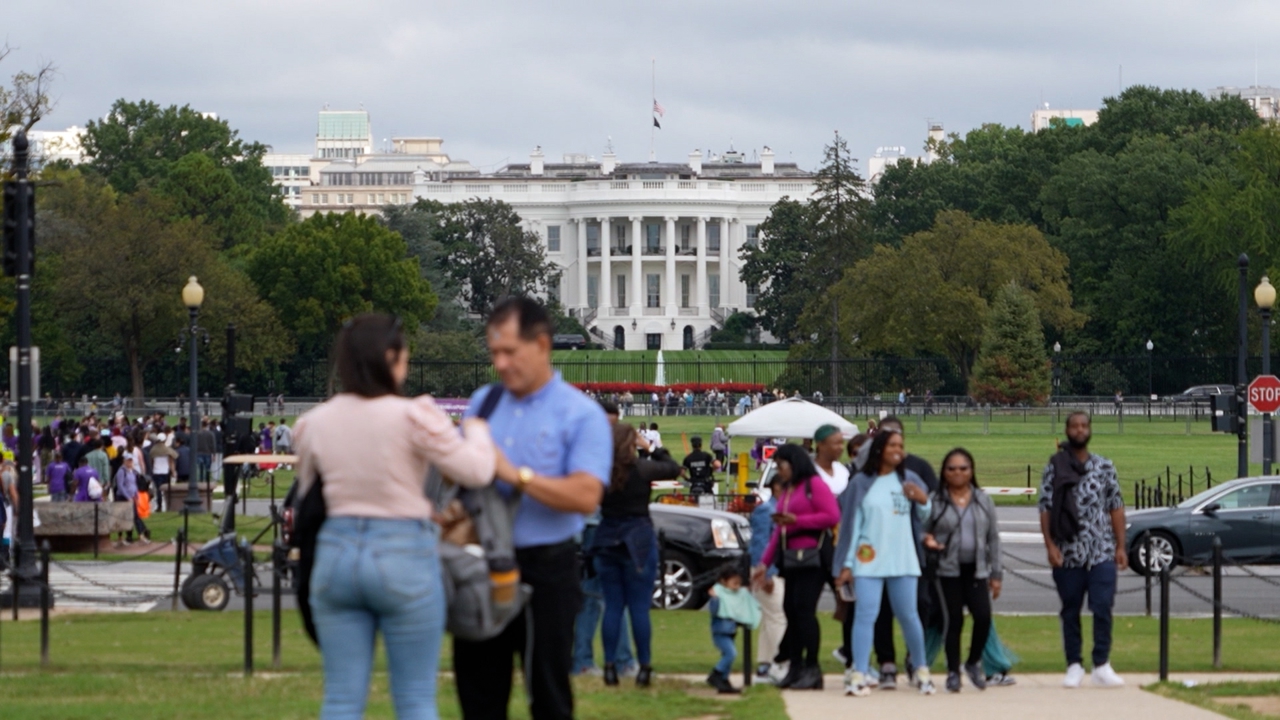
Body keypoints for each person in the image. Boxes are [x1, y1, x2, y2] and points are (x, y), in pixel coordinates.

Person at [295, 313, 497, 719]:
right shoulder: (414, 415)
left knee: (341, 698)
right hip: (402, 550)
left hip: (337, 551)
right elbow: (476, 471)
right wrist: (476, 429)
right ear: (392, 357)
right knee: (416, 698)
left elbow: (308, 493)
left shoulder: (314, 423)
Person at [452, 297, 611, 720]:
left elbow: (585, 496)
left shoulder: (580, 414)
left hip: (547, 568)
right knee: (478, 694)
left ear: (541, 345)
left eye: (509, 352)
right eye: (493, 352)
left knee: (548, 694)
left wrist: (515, 475)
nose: (500, 363)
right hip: (483, 565)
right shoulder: (484, 401)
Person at [835, 429, 936, 697]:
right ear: (879, 449)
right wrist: (846, 565)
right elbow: (852, 526)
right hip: (867, 560)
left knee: (909, 616)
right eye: (892, 444)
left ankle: (922, 669)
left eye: (901, 445)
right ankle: (859, 671)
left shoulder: (909, 479)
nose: (898, 450)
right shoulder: (861, 483)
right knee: (865, 616)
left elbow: (925, 516)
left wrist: (922, 500)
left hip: (902, 559)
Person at [1040, 412, 1127, 689]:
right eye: (1074, 426)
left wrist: (1121, 545)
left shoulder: (1104, 466)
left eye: (1084, 425)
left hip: (1101, 550)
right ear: (1066, 430)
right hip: (1068, 551)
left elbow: (1115, 505)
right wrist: (1050, 545)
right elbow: (1045, 508)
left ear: (1090, 430)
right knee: (1070, 609)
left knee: (1102, 606)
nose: (1079, 430)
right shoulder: (1055, 467)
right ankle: (1074, 664)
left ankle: (1101, 664)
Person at [594, 423, 680, 687]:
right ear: (632, 444)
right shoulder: (643, 469)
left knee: (613, 607)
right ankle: (643, 666)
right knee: (639, 608)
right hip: (639, 537)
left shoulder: (602, 472)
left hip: (608, 536)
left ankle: (609, 666)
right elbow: (673, 467)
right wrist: (651, 447)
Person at [754, 444, 840, 691]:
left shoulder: (814, 485)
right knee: (790, 610)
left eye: (782, 466)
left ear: (795, 463)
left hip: (812, 558)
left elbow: (831, 516)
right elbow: (778, 534)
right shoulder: (789, 490)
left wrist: (798, 521)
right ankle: (795, 667)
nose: (780, 472)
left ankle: (812, 668)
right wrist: (764, 564)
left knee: (804, 611)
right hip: (790, 557)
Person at [923, 448, 1001, 693]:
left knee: (983, 617)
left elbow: (993, 538)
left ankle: (973, 662)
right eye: (952, 468)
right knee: (953, 621)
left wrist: (996, 573)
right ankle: (953, 671)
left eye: (963, 468)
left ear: (972, 471)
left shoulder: (983, 500)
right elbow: (922, 529)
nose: (958, 473)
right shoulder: (936, 500)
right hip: (948, 570)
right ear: (944, 472)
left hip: (977, 569)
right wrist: (928, 540)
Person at [749, 473, 787, 683]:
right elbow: (760, 544)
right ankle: (779, 664)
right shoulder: (767, 510)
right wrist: (767, 574)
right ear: (778, 488)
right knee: (778, 618)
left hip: (773, 571)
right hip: (769, 572)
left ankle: (765, 665)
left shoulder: (777, 510)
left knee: (769, 619)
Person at [707, 566, 761, 694]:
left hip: (730, 631)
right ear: (724, 582)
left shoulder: (736, 593)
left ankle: (724, 682)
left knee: (727, 656)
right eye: (734, 583)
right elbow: (714, 611)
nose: (737, 586)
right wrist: (715, 599)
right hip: (720, 632)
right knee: (731, 654)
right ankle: (716, 674)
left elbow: (743, 597)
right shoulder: (718, 594)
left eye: (739, 583)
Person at [113, 454, 149, 546]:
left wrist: (136, 496)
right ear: (124, 461)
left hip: (132, 496)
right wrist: (127, 496)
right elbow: (120, 486)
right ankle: (120, 537)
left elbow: (134, 484)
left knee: (135, 516)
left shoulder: (133, 472)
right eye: (128, 461)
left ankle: (141, 535)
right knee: (122, 517)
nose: (130, 462)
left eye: (131, 461)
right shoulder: (121, 471)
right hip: (122, 497)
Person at [813, 424, 849, 497]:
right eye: (836, 443)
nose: (841, 447)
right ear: (820, 445)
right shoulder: (809, 471)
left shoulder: (843, 470)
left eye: (842, 443)